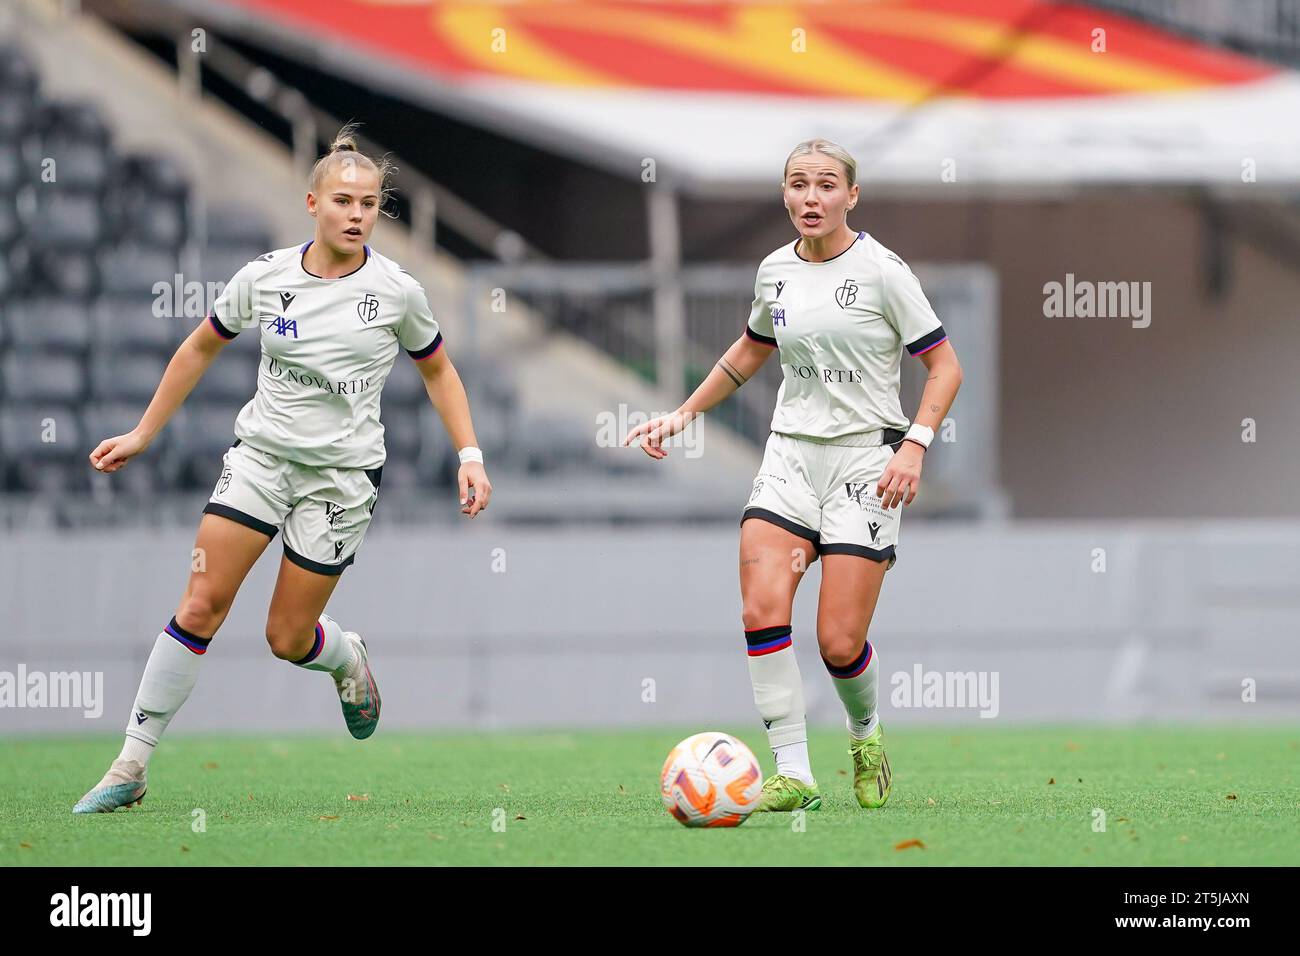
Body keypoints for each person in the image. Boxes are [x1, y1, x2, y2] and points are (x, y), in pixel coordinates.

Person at [73, 125, 492, 813]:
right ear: (312, 202)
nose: (357, 215)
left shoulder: (395, 292)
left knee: (286, 638)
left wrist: (469, 456)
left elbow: (440, 371)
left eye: (369, 204)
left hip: (341, 480)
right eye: (344, 201)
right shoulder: (265, 277)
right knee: (201, 604)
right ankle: (130, 764)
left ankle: (345, 656)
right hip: (260, 461)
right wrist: (144, 430)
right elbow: (197, 350)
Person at [625, 138, 962, 812]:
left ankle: (864, 734)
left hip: (867, 462)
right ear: (785, 194)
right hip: (788, 457)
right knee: (760, 606)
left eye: (826, 185)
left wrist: (915, 445)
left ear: (851, 196)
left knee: (838, 642)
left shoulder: (884, 273)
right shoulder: (774, 270)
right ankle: (795, 773)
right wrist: (683, 414)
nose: (812, 198)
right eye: (799, 185)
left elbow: (946, 365)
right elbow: (752, 348)